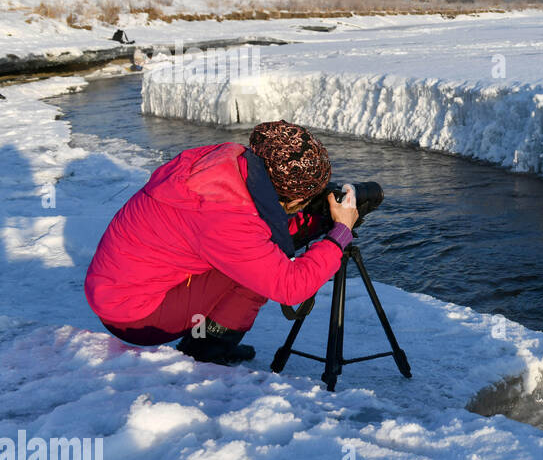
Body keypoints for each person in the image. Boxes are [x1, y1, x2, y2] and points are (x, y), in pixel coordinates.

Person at [84, 120, 360, 365]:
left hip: (113, 289)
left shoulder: (225, 162)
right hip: (136, 317)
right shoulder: (225, 218)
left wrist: (316, 223)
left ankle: (207, 339)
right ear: (294, 199)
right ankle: (208, 350)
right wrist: (339, 235)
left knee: (256, 258)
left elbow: (249, 225)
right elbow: (291, 286)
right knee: (258, 275)